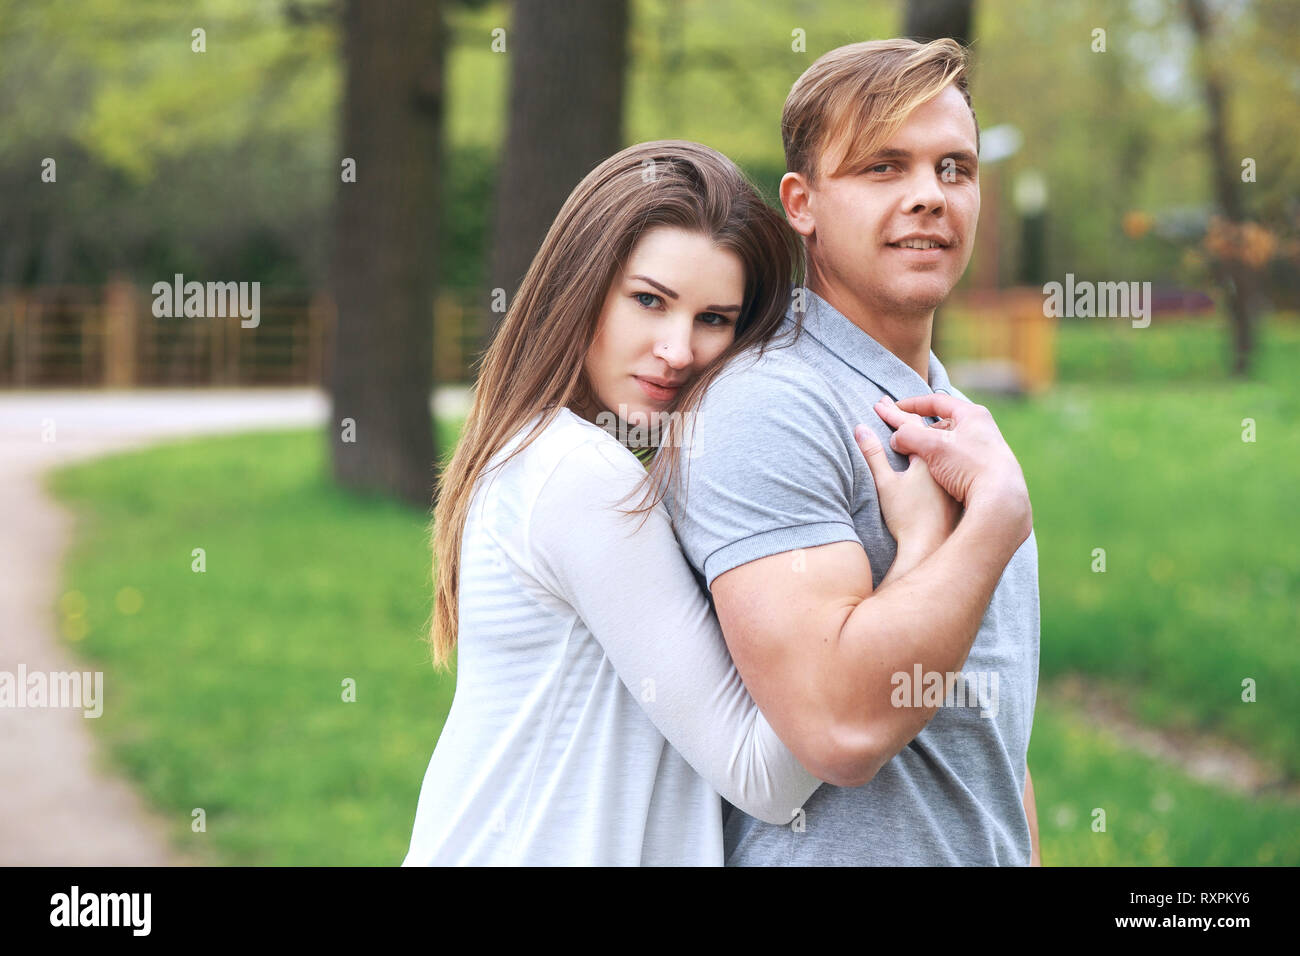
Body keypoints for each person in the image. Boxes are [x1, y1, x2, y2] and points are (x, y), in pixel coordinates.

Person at [401, 140, 960, 866]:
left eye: (714, 319)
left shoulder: (547, 452)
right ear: (579, 285)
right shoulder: (580, 475)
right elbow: (765, 775)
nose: (677, 349)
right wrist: (921, 554)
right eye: (648, 301)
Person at [665, 38, 1044, 865]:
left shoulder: (958, 422)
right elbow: (838, 727)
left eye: (955, 169)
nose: (929, 197)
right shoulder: (768, 405)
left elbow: (995, 742)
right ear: (801, 202)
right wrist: (993, 524)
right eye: (883, 168)